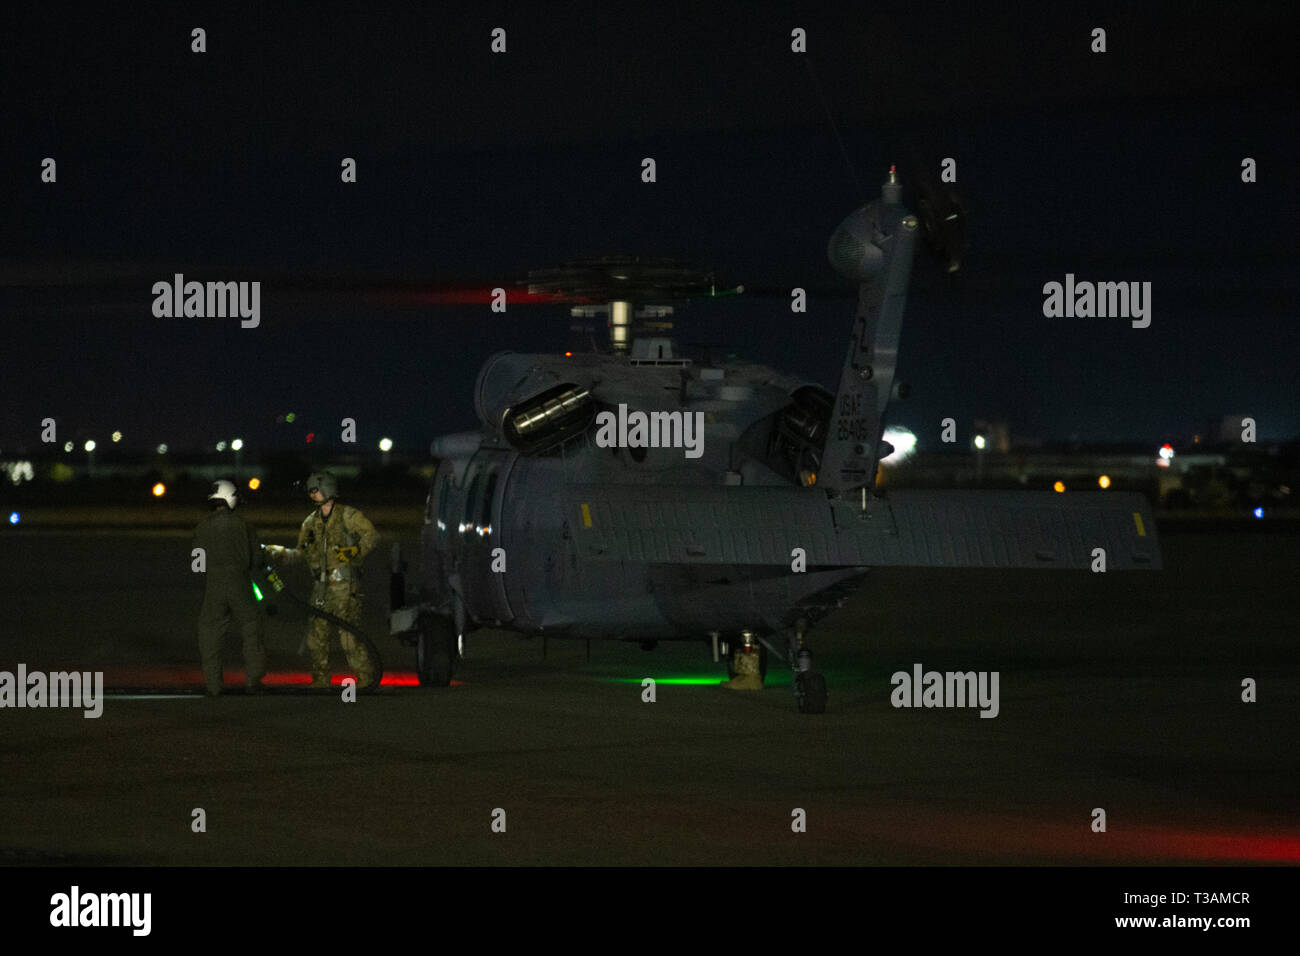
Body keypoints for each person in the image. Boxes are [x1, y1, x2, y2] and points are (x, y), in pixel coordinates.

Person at [265, 471, 378, 688]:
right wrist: (279, 552)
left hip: (345, 586)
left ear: (326, 489)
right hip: (320, 588)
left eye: (315, 490)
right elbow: (301, 553)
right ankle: (320, 679)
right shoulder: (310, 522)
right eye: (310, 492)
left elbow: (371, 535)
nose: (312, 495)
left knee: (348, 635)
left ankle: (365, 678)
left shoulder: (348, 515)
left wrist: (355, 551)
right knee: (316, 636)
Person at [194, 479, 267, 696]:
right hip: (240, 584)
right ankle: (253, 680)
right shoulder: (243, 525)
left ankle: (213, 685)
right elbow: (257, 560)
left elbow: (197, 566)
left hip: (213, 586)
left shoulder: (201, 527)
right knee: (251, 628)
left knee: (209, 633)